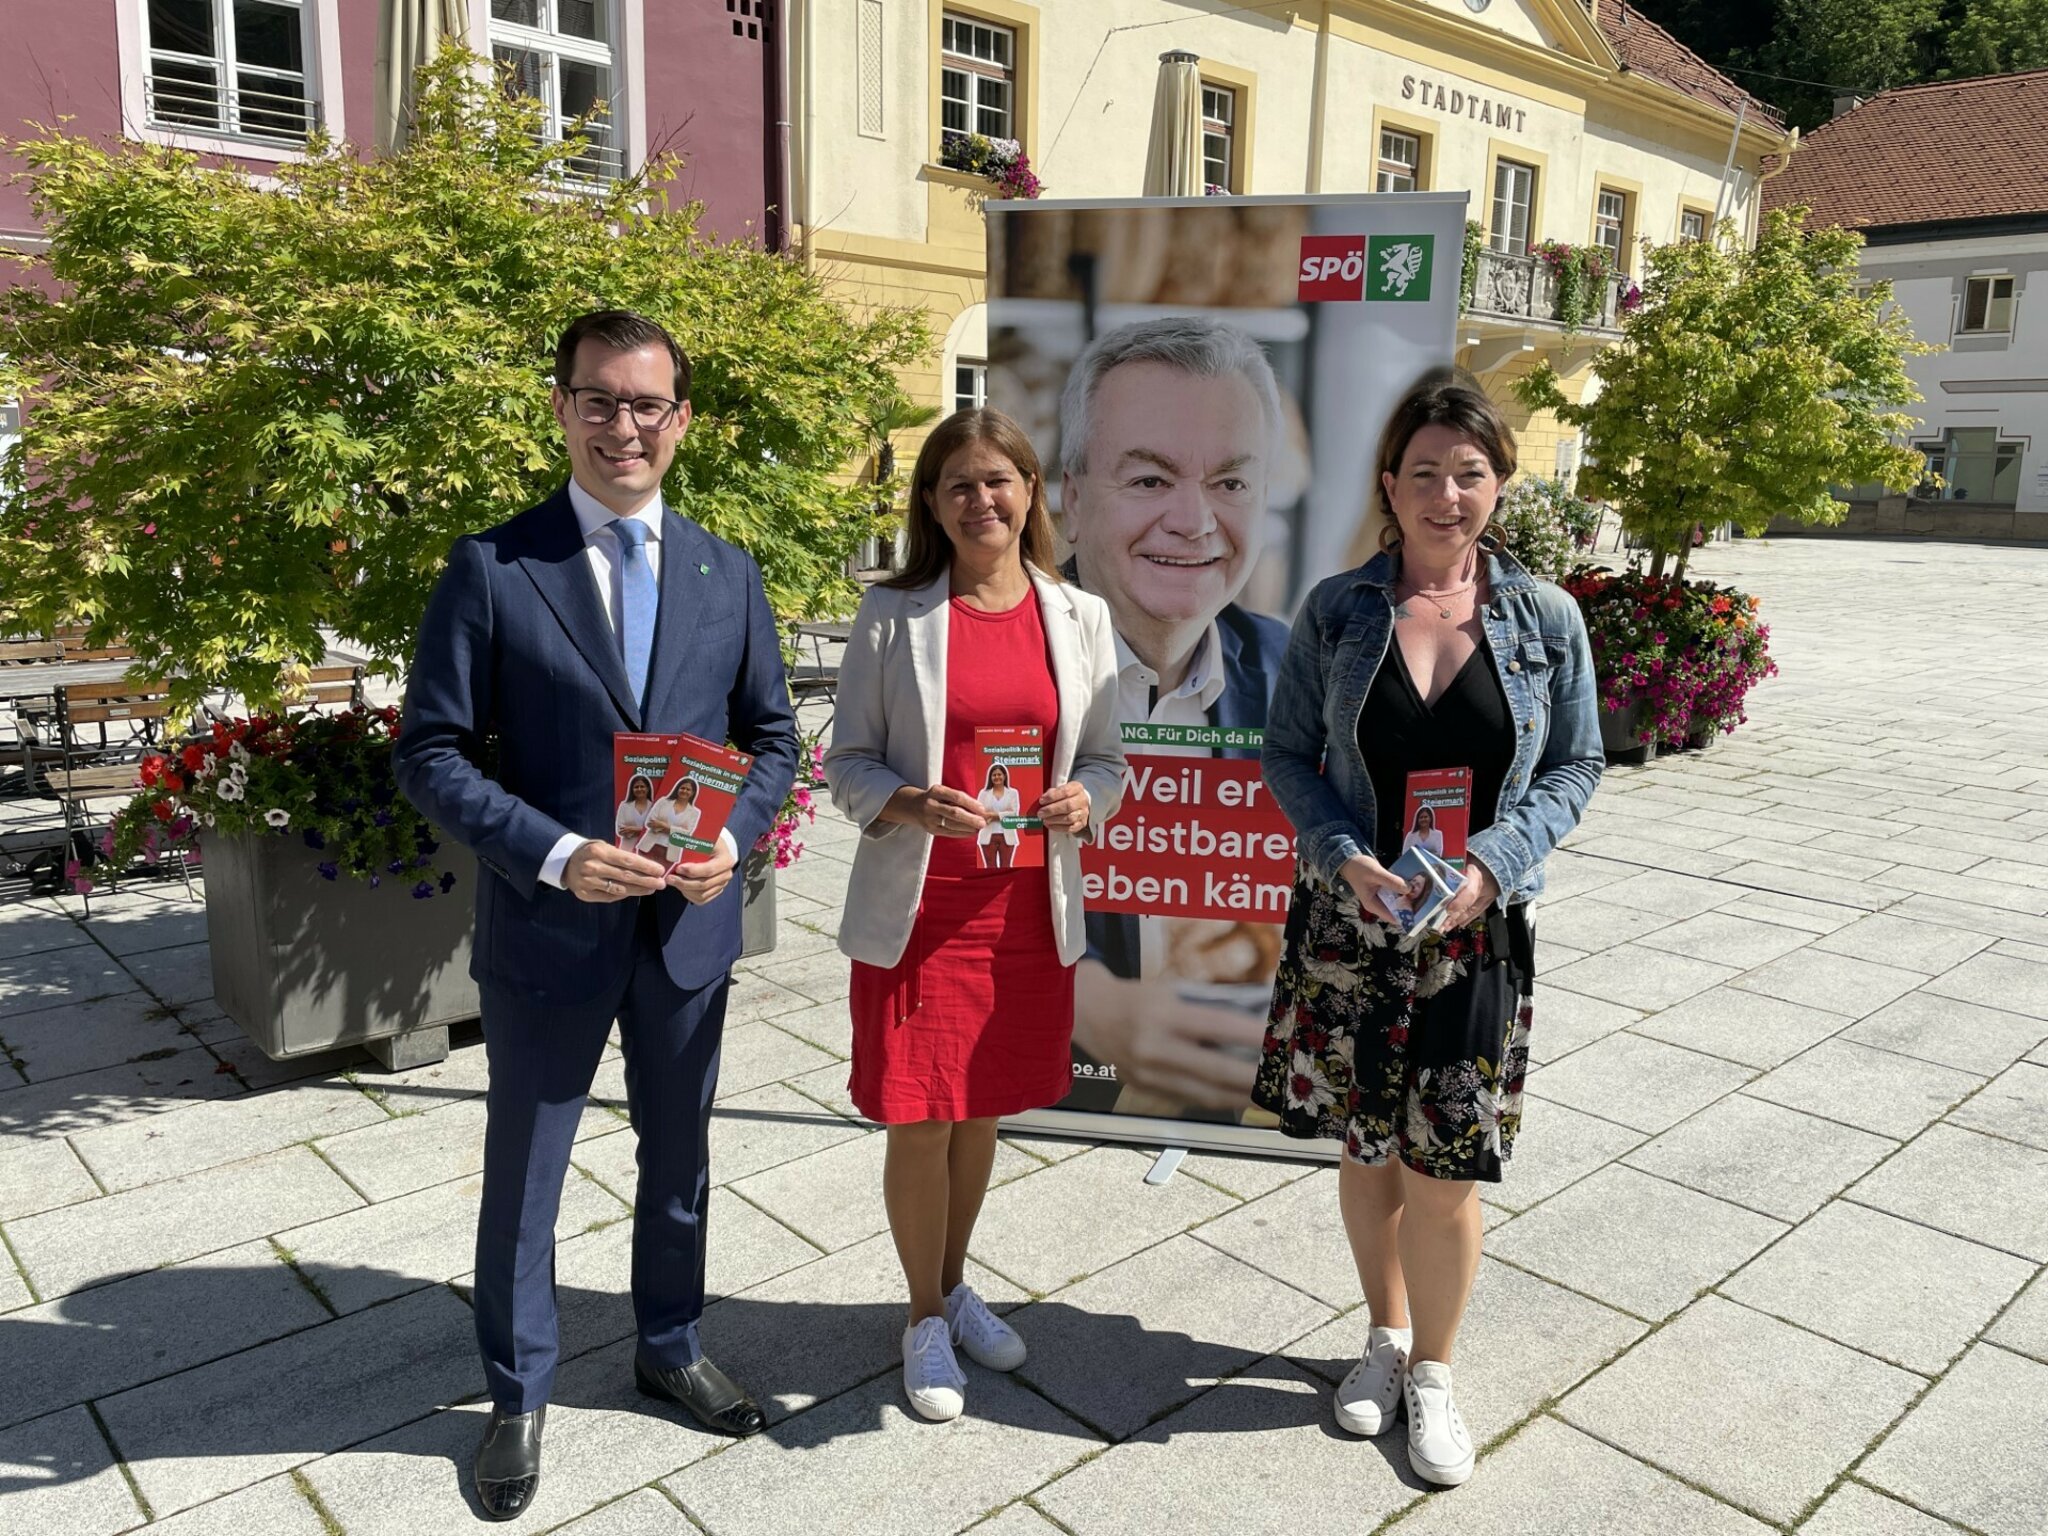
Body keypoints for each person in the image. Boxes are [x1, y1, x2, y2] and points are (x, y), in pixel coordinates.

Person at [393, 309, 798, 1520]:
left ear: (681, 420)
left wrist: (731, 838)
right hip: (549, 931)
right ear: (562, 408)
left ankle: (667, 1343)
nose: (624, 426)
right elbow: (431, 752)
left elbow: (771, 737)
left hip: (684, 934)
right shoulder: (495, 567)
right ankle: (516, 1395)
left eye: (646, 404)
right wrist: (556, 852)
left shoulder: (730, 572)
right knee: (526, 1173)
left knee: (678, 1162)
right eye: (600, 400)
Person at [1254, 373, 1600, 1489]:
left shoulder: (1543, 616)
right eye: (1424, 473)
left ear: (1497, 484)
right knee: (1367, 1148)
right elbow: (1283, 757)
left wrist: (1492, 866)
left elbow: (1574, 764)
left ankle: (1437, 1374)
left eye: (1469, 474)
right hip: (1355, 924)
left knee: (1443, 1164)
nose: (1445, 495)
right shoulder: (1337, 610)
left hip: (1469, 931)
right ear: (1387, 485)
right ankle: (1384, 1338)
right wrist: (1336, 855)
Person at [825, 406, 1124, 1423]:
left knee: (982, 1107)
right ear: (931, 504)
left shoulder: (1077, 616)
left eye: (998, 480)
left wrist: (1090, 797)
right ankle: (919, 1317)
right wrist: (907, 801)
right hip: (924, 908)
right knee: (920, 1116)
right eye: (958, 485)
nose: (980, 500)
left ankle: (953, 1285)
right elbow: (848, 762)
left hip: (1024, 909)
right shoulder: (893, 612)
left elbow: (1107, 758)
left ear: (1031, 492)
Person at [1055, 315, 1291, 1116]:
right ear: (1073, 500)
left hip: (1244, 1091)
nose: (1194, 521)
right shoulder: (1000, 656)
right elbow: (943, 876)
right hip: (1047, 1089)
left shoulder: (1298, 672)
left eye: (1230, 483)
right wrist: (1093, 1006)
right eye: (1151, 479)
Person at [975, 762, 1021, 870]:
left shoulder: (1013, 793)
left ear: (1005, 776)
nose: (997, 777)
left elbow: (1014, 814)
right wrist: (1003, 815)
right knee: (990, 868)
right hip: (988, 836)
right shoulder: (984, 793)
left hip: (1007, 836)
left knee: (1006, 867)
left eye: (999, 774)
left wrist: (993, 816)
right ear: (990, 777)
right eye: (994, 775)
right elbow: (980, 812)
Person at [615, 774, 658, 850]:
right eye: (636, 787)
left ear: (648, 789)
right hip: (627, 850)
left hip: (647, 850)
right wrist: (644, 831)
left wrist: (633, 829)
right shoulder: (624, 806)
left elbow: (657, 831)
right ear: (632, 789)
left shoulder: (655, 806)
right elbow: (620, 831)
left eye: (642, 786)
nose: (639, 789)